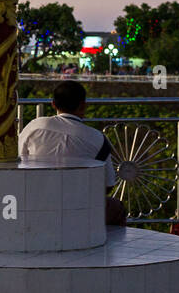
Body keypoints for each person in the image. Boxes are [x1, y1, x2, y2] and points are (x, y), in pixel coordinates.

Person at [18, 80, 126, 226]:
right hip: (78, 209)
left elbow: (18, 162)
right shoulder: (97, 138)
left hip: (33, 202)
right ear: (83, 105)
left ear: (53, 104)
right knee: (116, 207)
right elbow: (108, 184)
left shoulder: (34, 126)